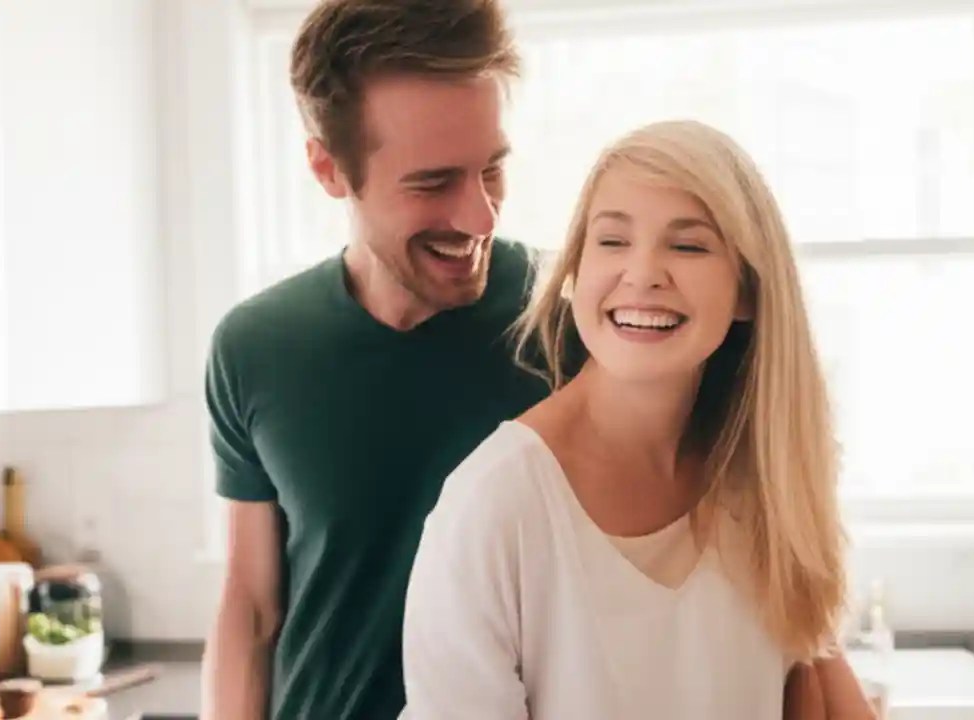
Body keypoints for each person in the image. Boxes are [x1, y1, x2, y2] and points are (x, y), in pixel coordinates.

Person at [400, 119, 876, 719]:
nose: (644, 272)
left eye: (689, 245)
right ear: (573, 273)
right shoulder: (495, 505)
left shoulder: (763, 480)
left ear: (749, 291)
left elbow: (821, 688)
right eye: (612, 241)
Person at [199, 1, 547, 718]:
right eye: (433, 183)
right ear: (329, 168)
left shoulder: (569, 319)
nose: (480, 216)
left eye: (493, 170)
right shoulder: (255, 348)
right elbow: (253, 607)